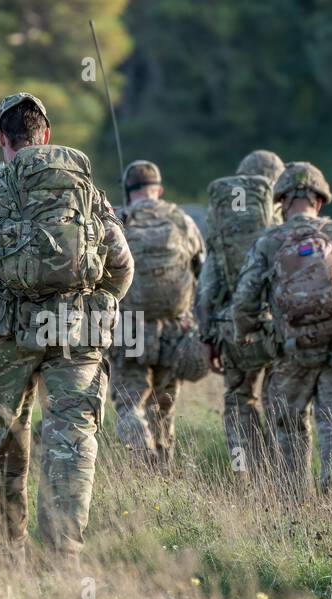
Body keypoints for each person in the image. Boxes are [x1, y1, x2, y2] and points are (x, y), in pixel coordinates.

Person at [0, 92, 134, 566]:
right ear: (47, 135)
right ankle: (63, 560)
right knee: (73, 442)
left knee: (5, 444)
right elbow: (121, 267)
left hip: (8, 341)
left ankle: (3, 561)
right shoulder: (84, 188)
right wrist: (96, 306)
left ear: (3, 138)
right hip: (76, 338)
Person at [232, 161, 332, 495]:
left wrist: (249, 331)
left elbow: (244, 300)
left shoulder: (269, 242)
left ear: (281, 202)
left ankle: (296, 514)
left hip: (293, 355)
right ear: (319, 200)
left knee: (290, 429)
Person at [109, 160, 204, 467]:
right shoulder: (181, 220)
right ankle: (164, 468)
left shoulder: (119, 219)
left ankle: (141, 447)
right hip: (174, 328)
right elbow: (201, 268)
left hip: (131, 326)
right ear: (159, 190)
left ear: (128, 192)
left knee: (128, 404)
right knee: (164, 404)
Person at [197, 150, 285, 467]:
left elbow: (206, 288)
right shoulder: (282, 221)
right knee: (281, 402)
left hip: (233, 331)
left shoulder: (222, 224)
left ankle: (244, 472)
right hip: (276, 329)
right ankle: (283, 478)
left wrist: (207, 337)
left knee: (238, 400)